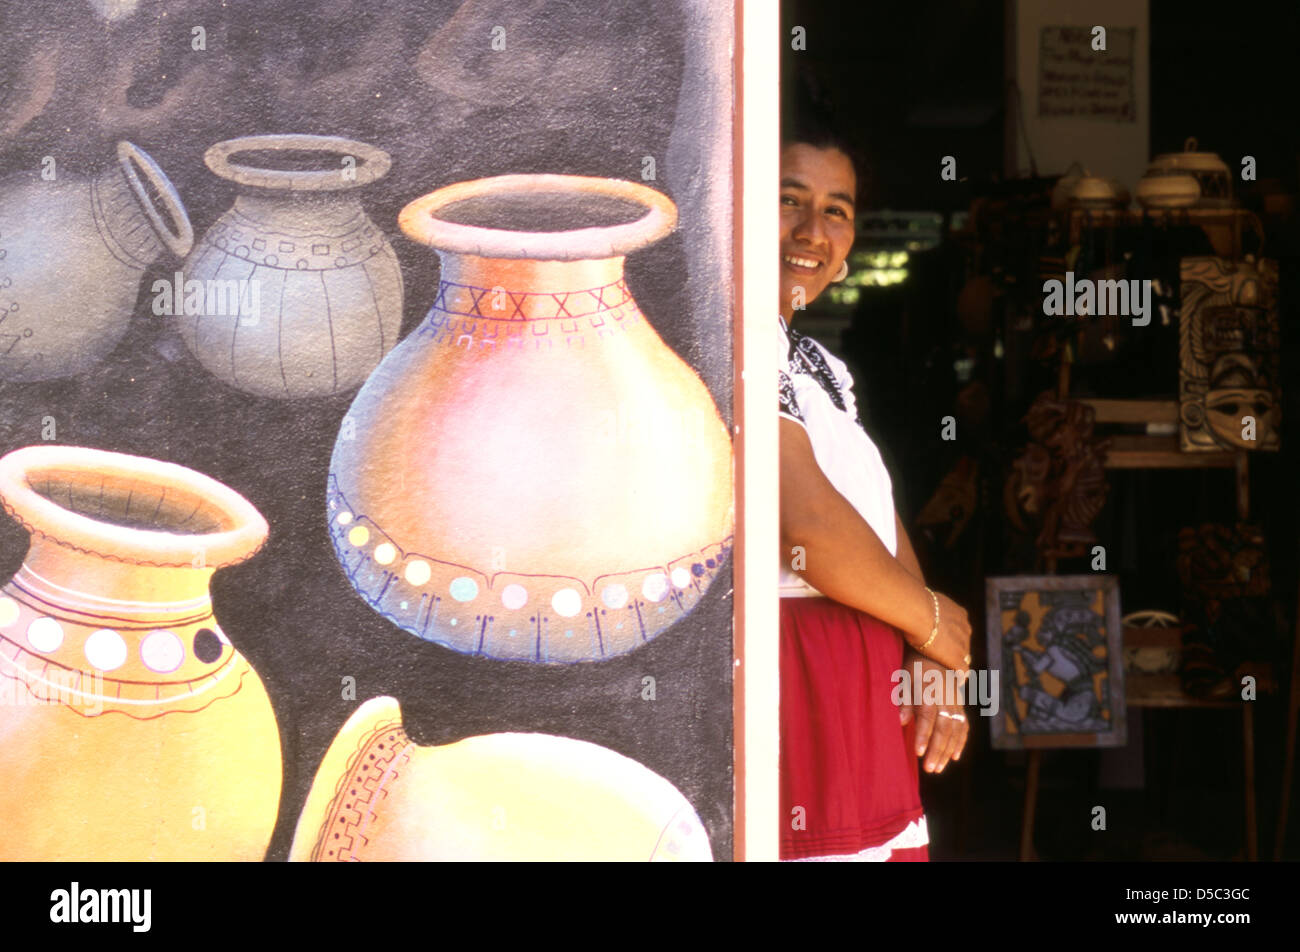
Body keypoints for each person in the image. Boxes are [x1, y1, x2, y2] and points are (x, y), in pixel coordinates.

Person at [778, 114, 973, 862]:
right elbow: (806, 531)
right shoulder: (730, 342)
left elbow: (871, 514)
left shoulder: (820, 366)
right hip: (798, 691)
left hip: (861, 698)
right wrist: (932, 623)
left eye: (836, 210)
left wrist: (929, 648)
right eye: (788, 200)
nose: (811, 228)